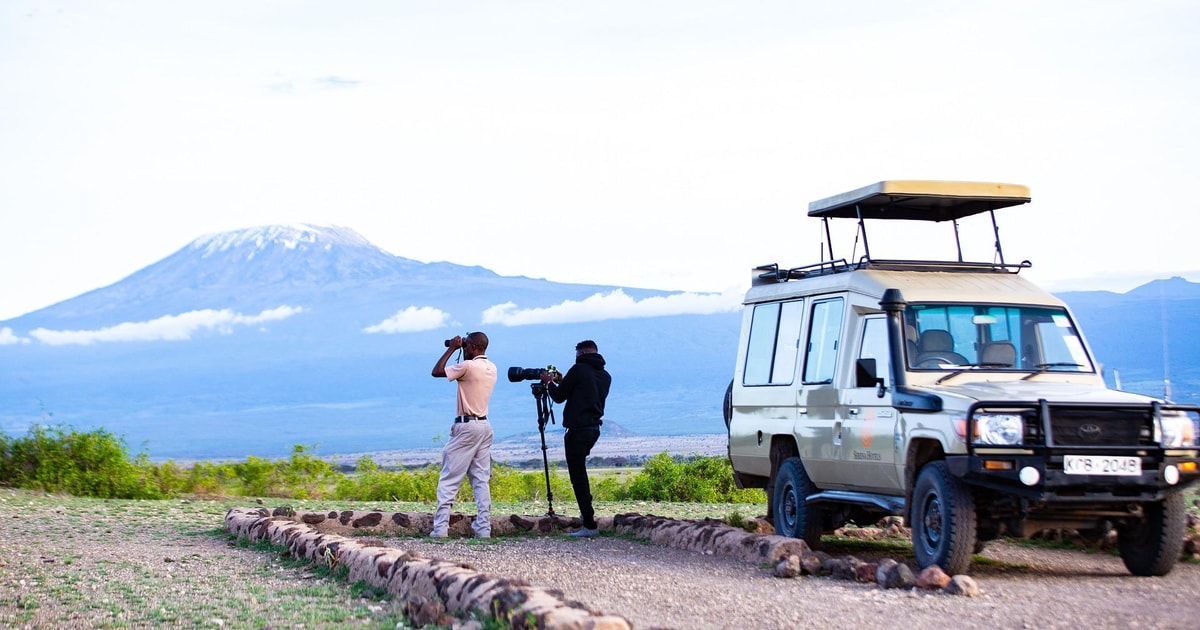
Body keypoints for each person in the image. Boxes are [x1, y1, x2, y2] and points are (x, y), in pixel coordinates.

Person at [430, 332, 497, 538]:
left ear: (475, 347)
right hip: (484, 426)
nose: (464, 348)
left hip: (466, 426)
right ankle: (483, 528)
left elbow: (437, 371)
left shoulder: (468, 367)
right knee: (480, 479)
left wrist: (451, 348)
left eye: (466, 345)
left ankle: (440, 528)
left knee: (450, 477)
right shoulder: (492, 368)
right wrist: (461, 347)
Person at [542, 339, 611, 537]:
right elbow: (584, 393)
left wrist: (548, 383)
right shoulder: (605, 375)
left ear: (580, 355)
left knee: (578, 476)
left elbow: (558, 397)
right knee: (581, 473)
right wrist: (563, 380)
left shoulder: (579, 369)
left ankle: (589, 525)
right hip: (593, 429)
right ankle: (586, 517)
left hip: (577, 430)